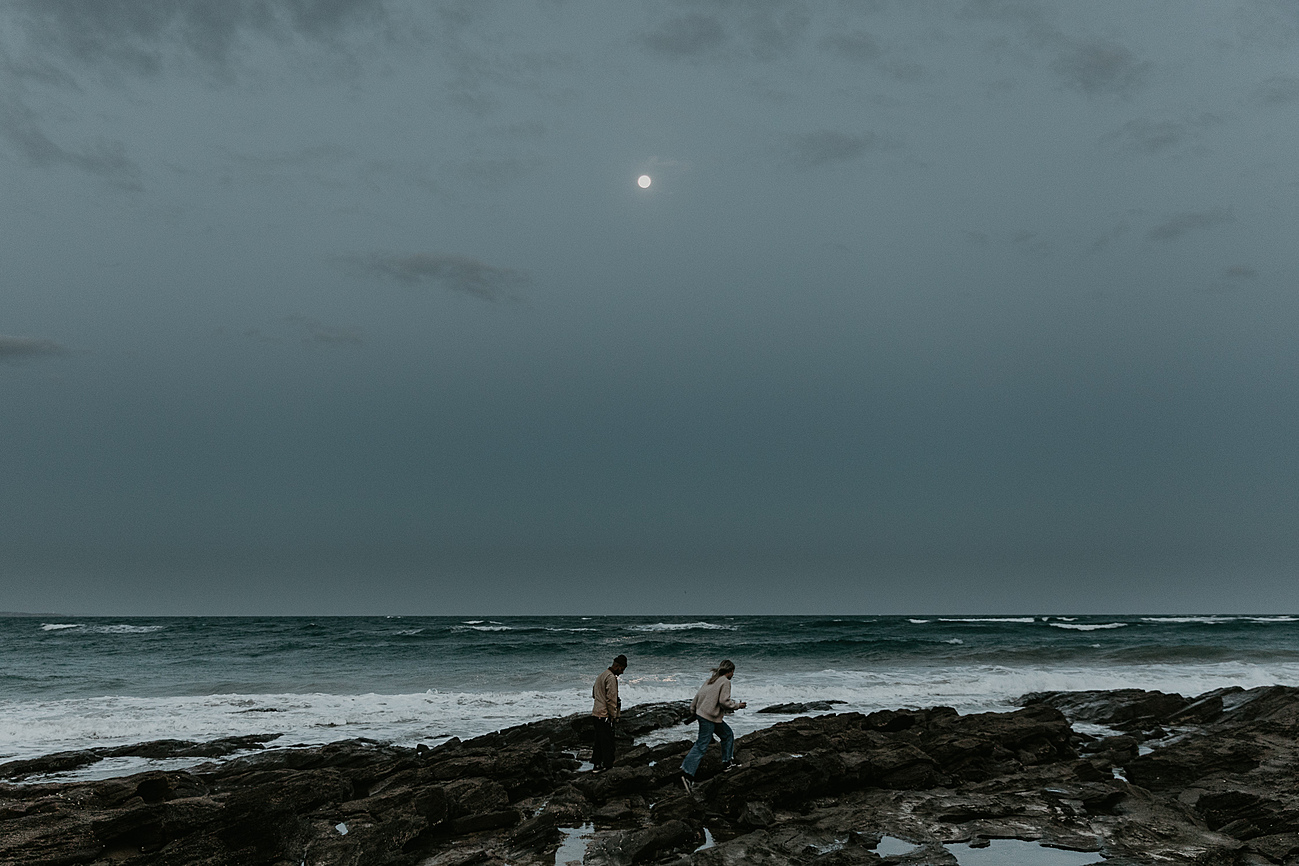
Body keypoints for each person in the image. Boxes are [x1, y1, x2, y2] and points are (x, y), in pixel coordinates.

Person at [680, 659, 746, 791]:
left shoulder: (711, 680)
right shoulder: (725, 681)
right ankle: (687, 774)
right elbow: (724, 701)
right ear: (730, 671)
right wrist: (738, 705)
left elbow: (697, 696)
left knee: (727, 735)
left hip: (706, 715)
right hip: (709, 717)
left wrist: (693, 710)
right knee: (702, 745)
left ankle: (727, 763)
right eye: (733, 672)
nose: (733, 675)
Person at [591, 654, 626, 771]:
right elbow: (611, 699)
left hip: (596, 713)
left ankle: (596, 765)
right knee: (607, 742)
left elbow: (594, 694)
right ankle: (608, 766)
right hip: (604, 715)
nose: (622, 672)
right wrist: (613, 715)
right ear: (617, 666)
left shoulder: (601, 675)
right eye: (622, 669)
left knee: (599, 741)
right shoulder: (611, 678)